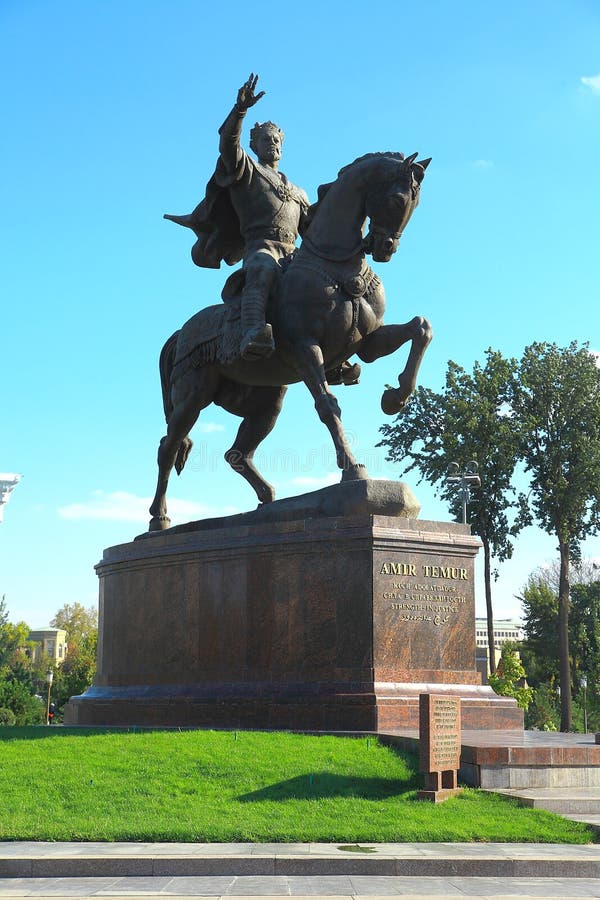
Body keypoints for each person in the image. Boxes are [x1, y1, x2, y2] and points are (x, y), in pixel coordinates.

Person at [165, 74, 310, 360]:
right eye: (266, 139)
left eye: (276, 140)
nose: (272, 143)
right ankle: (252, 330)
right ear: (255, 146)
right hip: (262, 249)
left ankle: (335, 355)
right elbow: (228, 144)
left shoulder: (298, 192)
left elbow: (315, 229)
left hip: (294, 255)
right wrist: (240, 110)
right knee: (263, 269)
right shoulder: (247, 170)